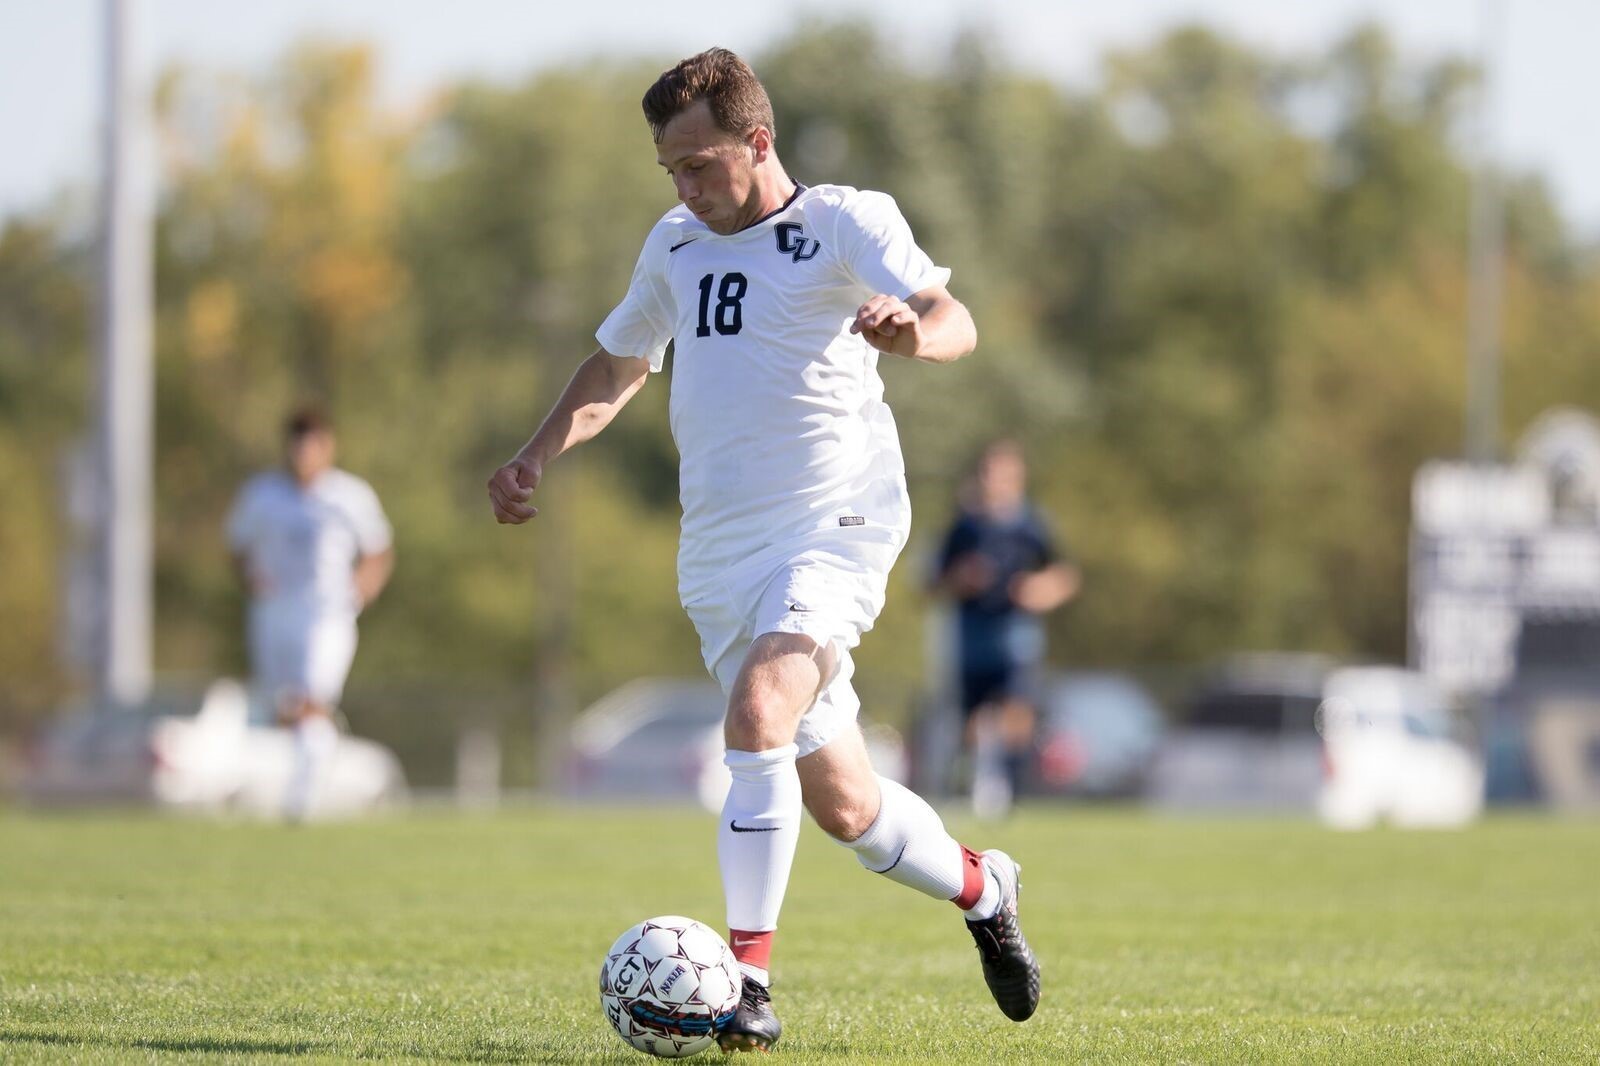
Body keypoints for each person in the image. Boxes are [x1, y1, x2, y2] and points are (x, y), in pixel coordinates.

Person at [487, 48, 1039, 1052]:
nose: (686, 188)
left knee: (756, 709)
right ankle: (980, 885)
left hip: (838, 521)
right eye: (670, 171)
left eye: (700, 164)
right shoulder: (674, 243)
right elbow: (619, 361)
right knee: (846, 807)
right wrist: (534, 454)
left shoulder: (841, 220)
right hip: (723, 553)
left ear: (758, 140)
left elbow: (951, 317)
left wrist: (909, 334)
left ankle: (744, 986)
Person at [227, 406, 394, 819]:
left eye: (313, 442)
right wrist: (252, 581)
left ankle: (302, 800)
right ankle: (302, 784)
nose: (304, 452)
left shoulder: (348, 495)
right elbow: (237, 546)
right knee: (283, 707)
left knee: (313, 700)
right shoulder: (262, 494)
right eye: (297, 442)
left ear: (327, 446)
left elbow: (378, 549)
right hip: (275, 610)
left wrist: (360, 591)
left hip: (327, 613)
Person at [934, 440, 1079, 817]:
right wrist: (961, 579)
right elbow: (935, 582)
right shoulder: (964, 527)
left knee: (1016, 708)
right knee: (972, 715)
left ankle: (1011, 788)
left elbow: (1063, 575)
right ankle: (967, 785)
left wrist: (1040, 591)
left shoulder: (1031, 525)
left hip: (1016, 637)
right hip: (972, 638)